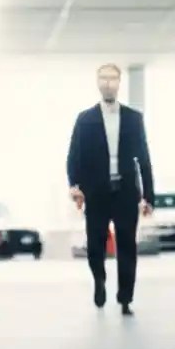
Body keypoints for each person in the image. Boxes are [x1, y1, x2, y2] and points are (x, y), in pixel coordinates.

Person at [66, 64, 154, 315]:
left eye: (112, 79)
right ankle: (99, 281)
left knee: (127, 246)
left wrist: (148, 196)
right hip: (96, 192)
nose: (108, 83)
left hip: (125, 192)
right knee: (95, 245)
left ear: (119, 82)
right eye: (103, 78)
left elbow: (144, 159)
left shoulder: (133, 118)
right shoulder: (85, 119)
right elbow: (73, 157)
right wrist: (75, 186)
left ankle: (125, 297)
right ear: (97, 82)